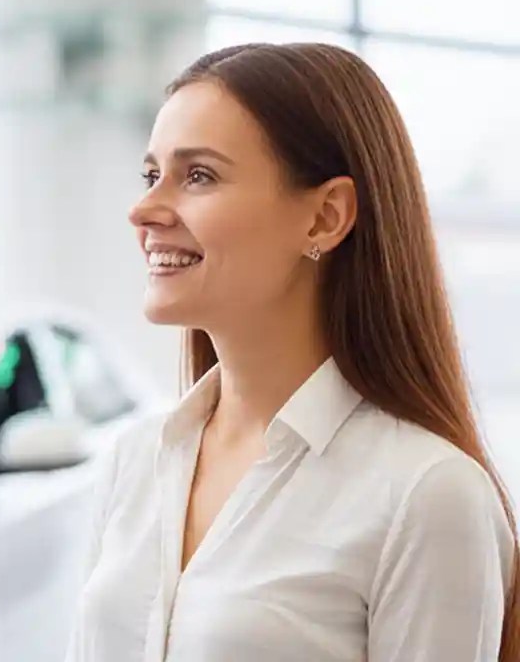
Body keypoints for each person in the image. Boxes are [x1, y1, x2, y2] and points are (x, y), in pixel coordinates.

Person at [66, 42, 519, 661]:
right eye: (152, 175)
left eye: (198, 175)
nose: (144, 209)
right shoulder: (135, 462)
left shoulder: (429, 495)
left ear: (325, 217)